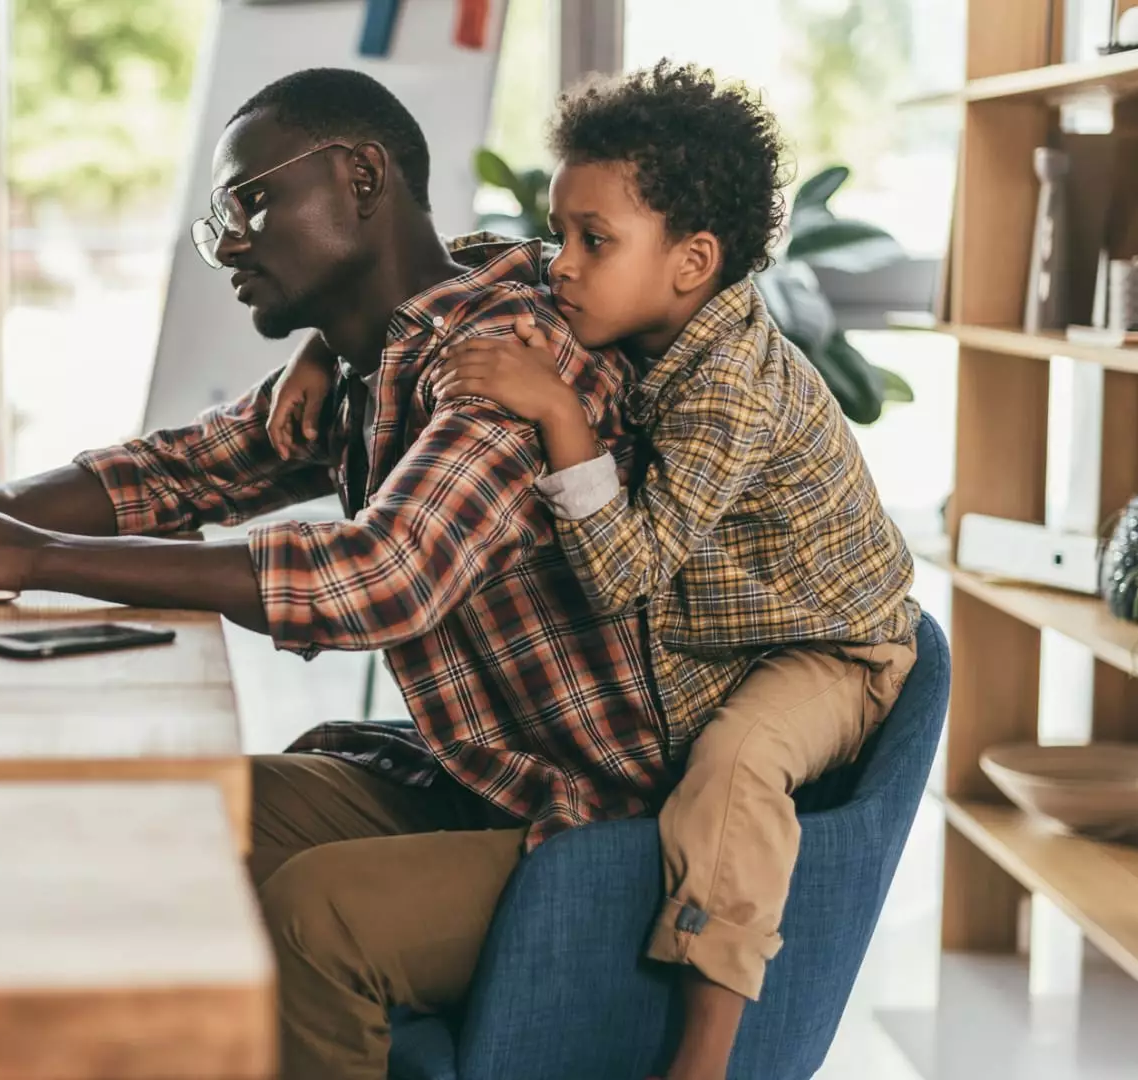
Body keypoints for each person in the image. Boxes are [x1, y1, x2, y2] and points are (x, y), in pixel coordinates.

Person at [0, 68, 671, 1080]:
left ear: (362, 179)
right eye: (221, 217)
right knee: (171, 821)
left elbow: (380, 575)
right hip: (469, 781)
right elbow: (173, 472)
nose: (232, 242)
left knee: (313, 915)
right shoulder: (365, 362)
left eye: (253, 200)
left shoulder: (509, 359)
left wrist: (30, 559)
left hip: (591, 828)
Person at [266, 61, 921, 1080]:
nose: (560, 265)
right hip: (725, 620)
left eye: (593, 242)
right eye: (563, 230)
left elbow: (628, 574)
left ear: (693, 262)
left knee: (736, 767)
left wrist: (561, 415)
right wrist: (329, 346)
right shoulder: (618, 304)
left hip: (829, 643)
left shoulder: (729, 392)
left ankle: (705, 1054)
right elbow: (484, 261)